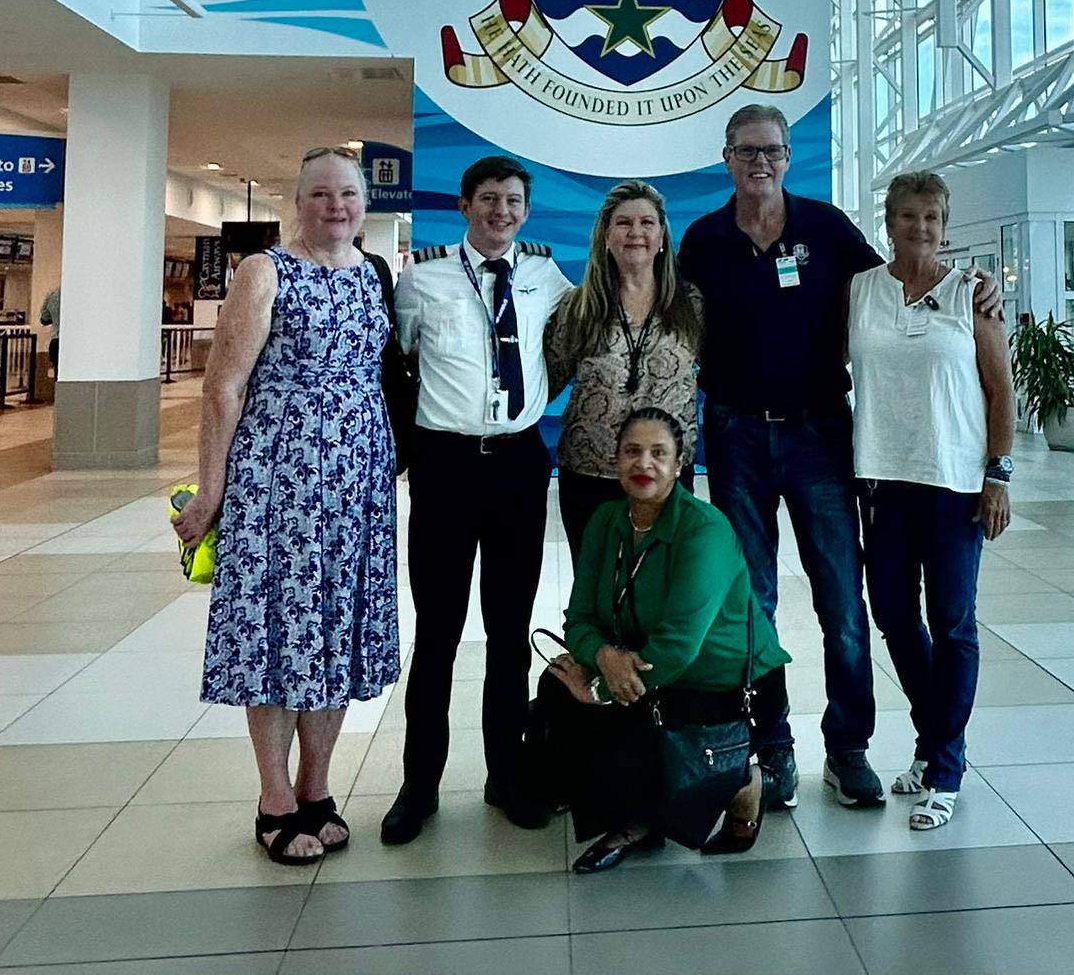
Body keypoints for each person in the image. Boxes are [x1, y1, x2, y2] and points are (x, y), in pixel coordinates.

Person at [679, 103, 1002, 812]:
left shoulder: (826, 229)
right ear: (726, 158)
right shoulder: (702, 240)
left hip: (819, 434)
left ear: (788, 157)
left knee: (842, 604)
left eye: (772, 150)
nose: (760, 162)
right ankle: (773, 748)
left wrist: (978, 289)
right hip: (734, 436)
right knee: (752, 601)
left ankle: (847, 747)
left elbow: (904, 279)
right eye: (746, 151)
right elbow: (679, 326)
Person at [173, 147, 399, 864]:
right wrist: (211, 491)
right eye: (322, 194)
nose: (337, 206)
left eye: (349, 195)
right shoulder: (265, 270)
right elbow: (223, 387)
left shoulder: (372, 274)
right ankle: (274, 796)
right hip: (280, 484)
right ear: (297, 203)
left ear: (364, 205)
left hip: (358, 485)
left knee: (335, 631)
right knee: (277, 632)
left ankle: (316, 787)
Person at [380, 154, 571, 845]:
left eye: (513, 201)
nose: (501, 212)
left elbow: (572, 340)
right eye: (488, 199)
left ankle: (506, 773)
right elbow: (397, 365)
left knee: (508, 632)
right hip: (448, 465)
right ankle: (419, 784)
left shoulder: (547, 274)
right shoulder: (423, 278)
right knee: (436, 636)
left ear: (526, 210)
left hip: (519, 463)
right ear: (464, 206)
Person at [540, 407, 790, 871]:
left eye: (659, 453)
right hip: (647, 669)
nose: (644, 464)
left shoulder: (704, 530)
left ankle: (741, 783)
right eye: (632, 452)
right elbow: (579, 618)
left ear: (680, 466)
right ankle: (636, 810)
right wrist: (603, 657)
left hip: (728, 686)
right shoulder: (605, 523)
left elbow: (678, 648)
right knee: (557, 687)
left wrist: (599, 685)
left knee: (622, 715)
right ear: (614, 461)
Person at [848, 170, 1015, 830]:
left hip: (954, 484)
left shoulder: (971, 294)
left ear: (945, 227)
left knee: (952, 624)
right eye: (909, 216)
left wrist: (999, 475)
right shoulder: (861, 291)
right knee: (891, 613)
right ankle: (937, 736)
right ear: (889, 223)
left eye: (932, 218)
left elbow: (1002, 390)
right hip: (883, 479)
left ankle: (944, 766)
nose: (920, 228)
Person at [545, 180, 703, 560]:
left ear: (662, 236)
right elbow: (544, 383)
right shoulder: (578, 307)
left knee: (660, 591)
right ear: (605, 235)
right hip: (591, 474)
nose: (636, 233)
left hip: (666, 475)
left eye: (647, 223)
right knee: (596, 592)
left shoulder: (691, 304)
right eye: (624, 223)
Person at [39, 285, 60, 374]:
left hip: (56, 341)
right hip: (74, 343)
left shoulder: (53, 294)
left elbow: (44, 319)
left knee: (58, 376)